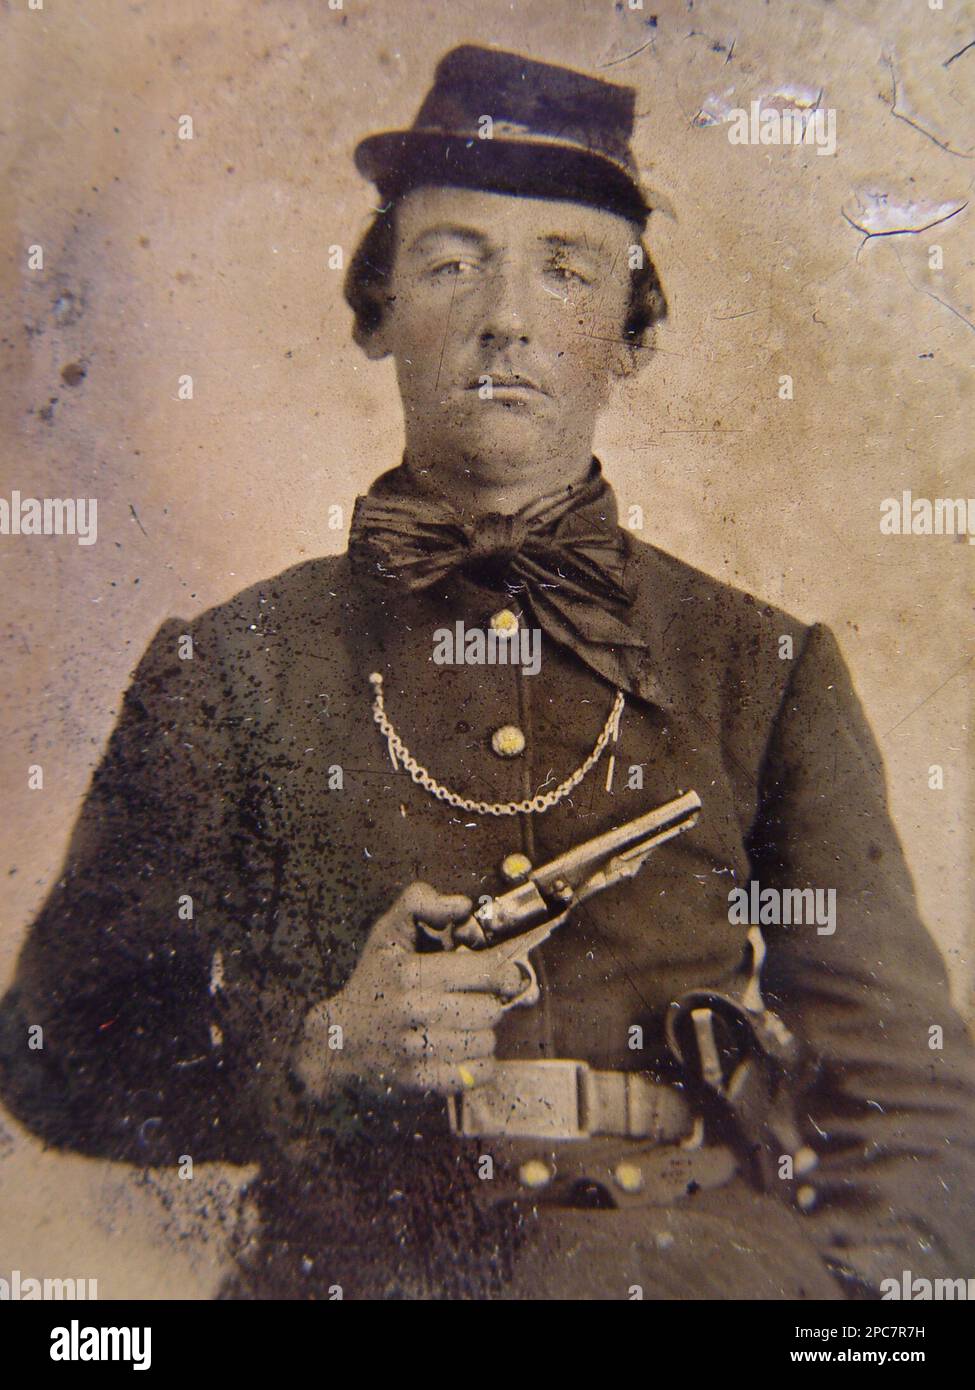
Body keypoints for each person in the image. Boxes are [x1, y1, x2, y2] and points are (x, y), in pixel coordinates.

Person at [2, 44, 973, 1301]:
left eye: (566, 269)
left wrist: (858, 1325)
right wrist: (312, 1052)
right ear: (378, 312)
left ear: (630, 331)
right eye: (451, 261)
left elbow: (900, 1078)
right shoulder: (227, 666)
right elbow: (53, 1046)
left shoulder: (765, 669)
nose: (504, 316)